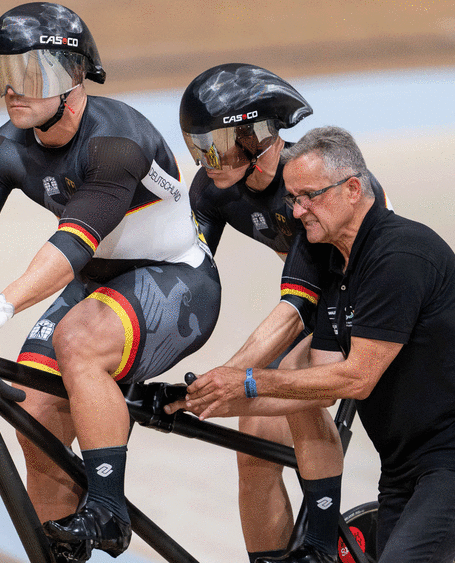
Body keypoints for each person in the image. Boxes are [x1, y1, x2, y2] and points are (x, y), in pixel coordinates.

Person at [0, 3, 221, 560]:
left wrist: (2, 303)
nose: (12, 91)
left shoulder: (117, 141)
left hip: (178, 280)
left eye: (28, 75)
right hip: (97, 284)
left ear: (72, 76)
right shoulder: (6, 146)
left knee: (78, 341)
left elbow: (73, 242)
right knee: (35, 422)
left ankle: (107, 509)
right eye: (3, 75)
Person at [183, 126, 455, 562]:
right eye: (292, 199)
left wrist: (247, 383)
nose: (298, 211)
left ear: (352, 189)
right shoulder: (334, 262)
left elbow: (357, 377)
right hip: (405, 461)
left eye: (310, 195)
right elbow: (321, 386)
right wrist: (207, 398)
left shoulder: (400, 254)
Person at [176, 63, 392, 563]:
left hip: (359, 302)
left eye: (217, 146)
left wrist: (231, 374)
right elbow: (186, 271)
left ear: (256, 137)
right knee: (251, 449)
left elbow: (297, 309)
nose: (207, 160)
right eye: (197, 147)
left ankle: (317, 546)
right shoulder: (211, 189)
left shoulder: (308, 185)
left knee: (294, 386)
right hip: (310, 296)